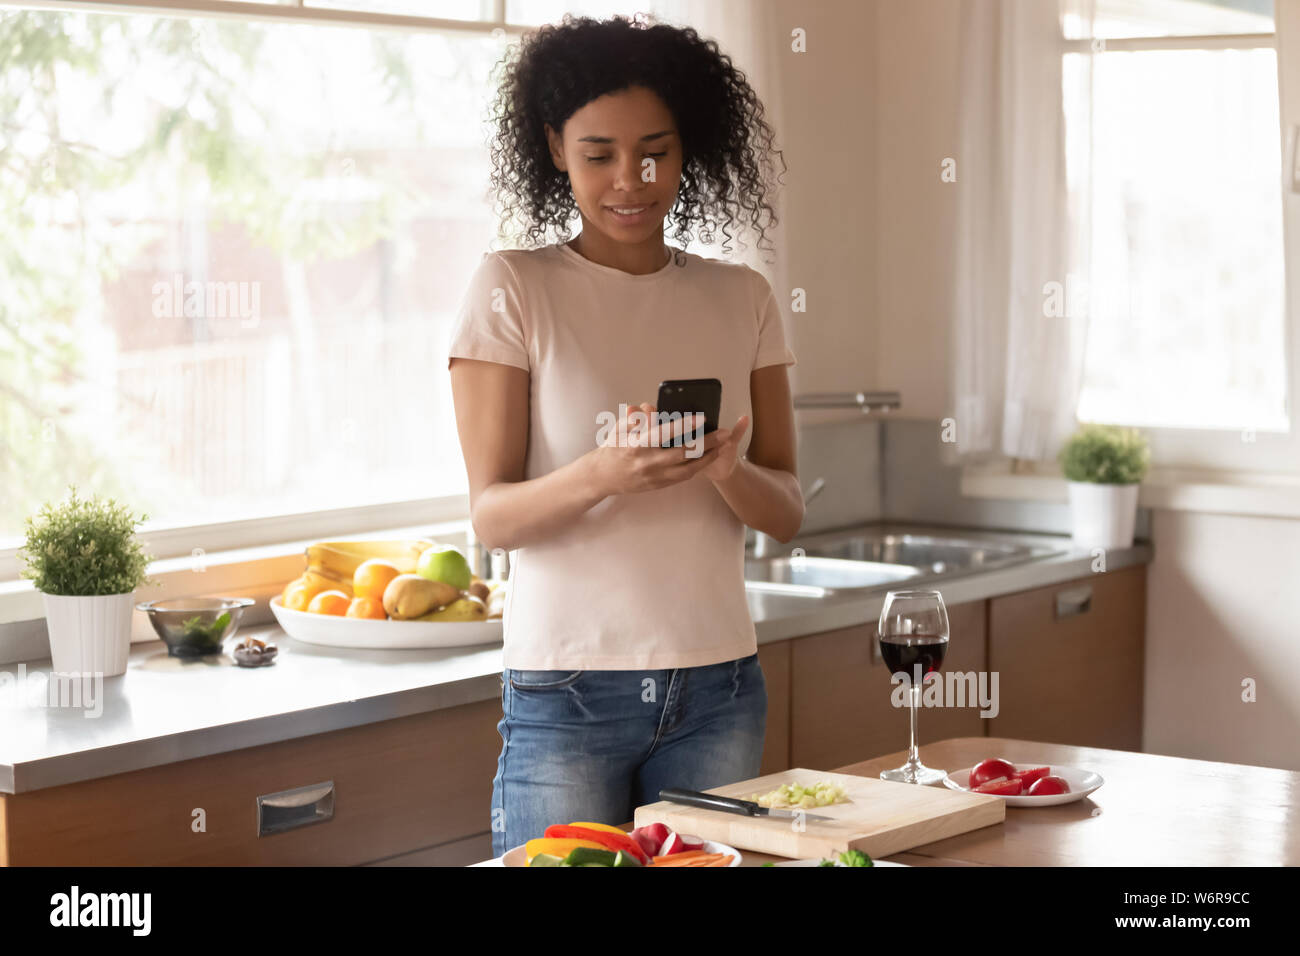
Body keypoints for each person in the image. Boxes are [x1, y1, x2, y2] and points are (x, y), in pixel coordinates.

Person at [446, 14, 801, 859]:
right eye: (599, 153)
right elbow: (491, 518)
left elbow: (785, 509)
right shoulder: (513, 289)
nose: (631, 180)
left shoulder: (741, 296)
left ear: (690, 149)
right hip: (568, 691)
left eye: (656, 150)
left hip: (720, 686)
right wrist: (601, 474)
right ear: (554, 147)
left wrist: (726, 469)